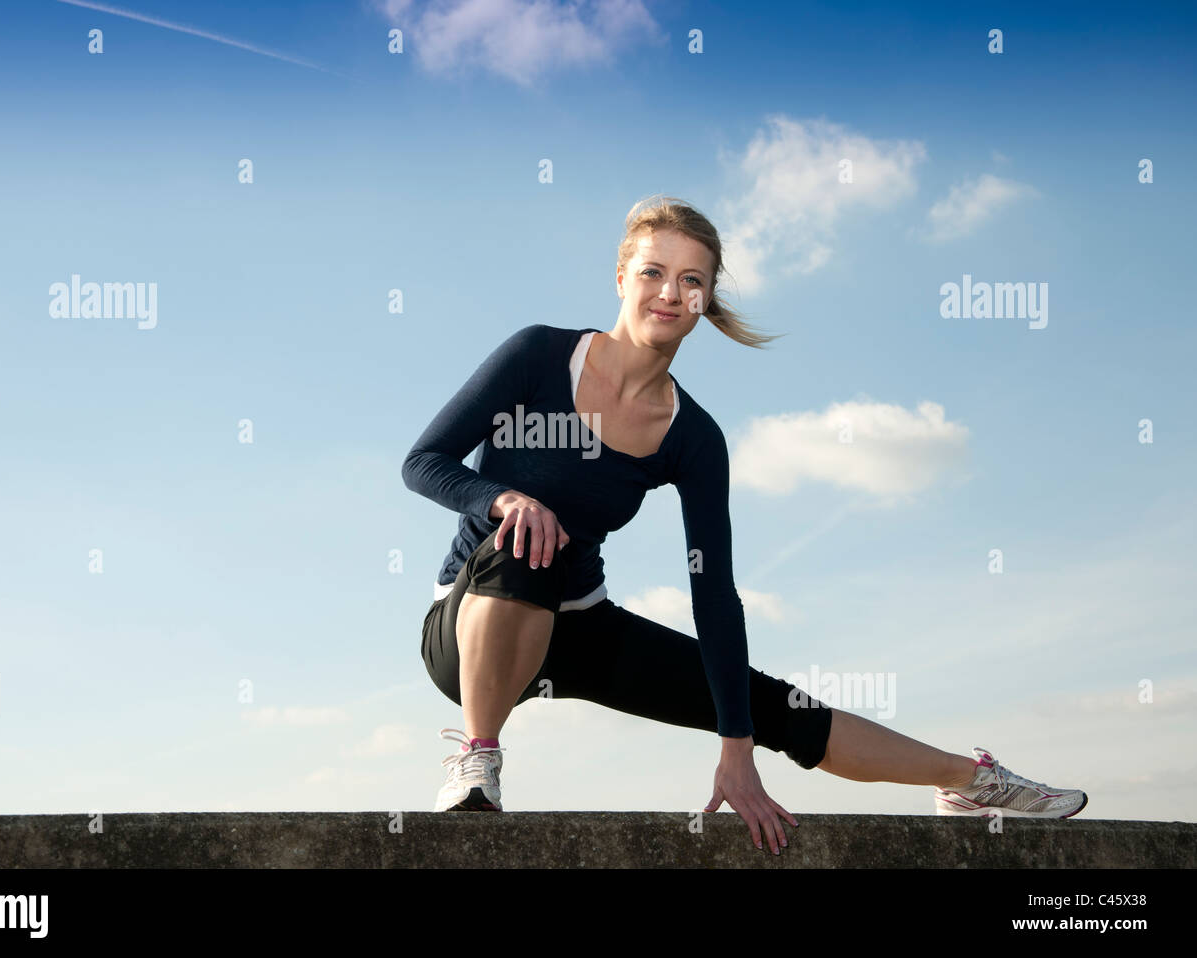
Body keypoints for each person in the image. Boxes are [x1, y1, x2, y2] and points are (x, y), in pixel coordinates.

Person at [400, 195, 1087, 854]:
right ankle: (477, 763)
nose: (670, 293)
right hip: (470, 625)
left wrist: (737, 746)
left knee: (768, 706)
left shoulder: (692, 436)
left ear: (705, 300)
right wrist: (501, 500)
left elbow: (715, 594)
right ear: (621, 277)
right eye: (653, 272)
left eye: (691, 281)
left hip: (581, 623)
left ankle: (968, 781)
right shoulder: (538, 356)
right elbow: (423, 461)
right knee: (528, 542)